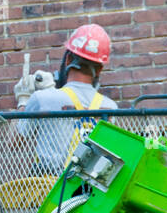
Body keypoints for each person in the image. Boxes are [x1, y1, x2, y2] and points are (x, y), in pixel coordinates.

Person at [13, 23, 119, 174]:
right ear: (100, 69)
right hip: (89, 191)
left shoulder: (43, 99)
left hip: (48, 188)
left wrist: (23, 100)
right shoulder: (110, 108)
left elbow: (14, 143)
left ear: (68, 59)